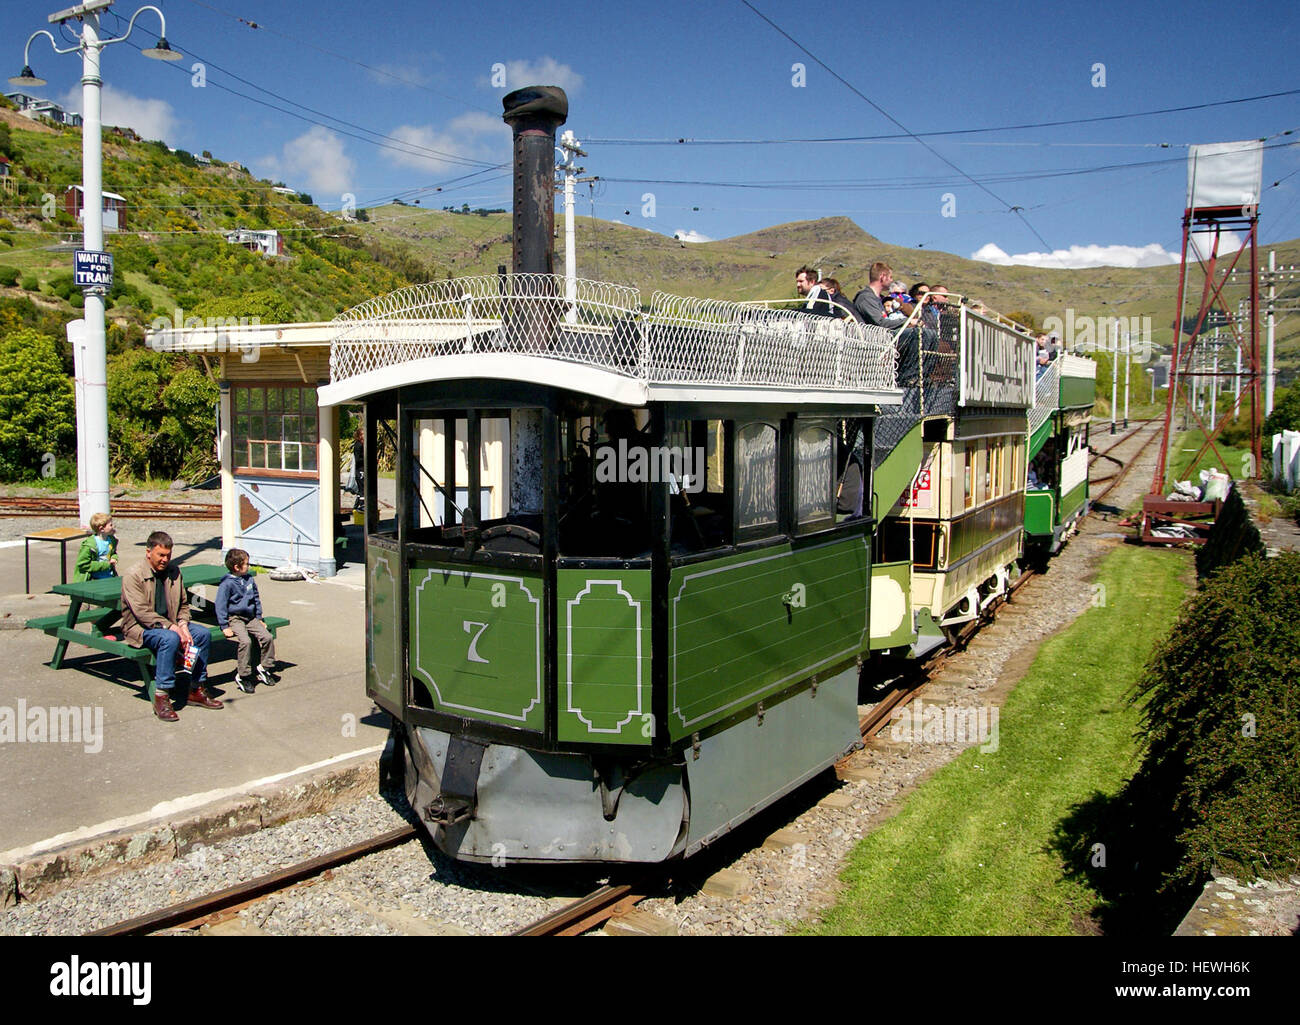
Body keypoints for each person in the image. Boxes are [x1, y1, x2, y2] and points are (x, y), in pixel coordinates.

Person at [120, 530, 221, 722]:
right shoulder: (133, 575)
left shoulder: (174, 572)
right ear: (148, 552)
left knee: (202, 634)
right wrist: (173, 628)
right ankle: (162, 694)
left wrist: (182, 624)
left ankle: (195, 687)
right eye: (161, 555)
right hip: (141, 628)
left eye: (168, 555)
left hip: (172, 623)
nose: (165, 560)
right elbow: (142, 612)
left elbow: (183, 604)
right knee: (170, 638)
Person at [216, 548, 280, 693]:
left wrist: (259, 617)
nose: (249, 566)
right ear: (236, 567)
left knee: (267, 636)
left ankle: (264, 667)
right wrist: (224, 625)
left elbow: (256, 599)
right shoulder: (227, 584)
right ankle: (243, 675)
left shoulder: (249, 579)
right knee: (246, 641)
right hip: (235, 618)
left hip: (250, 618)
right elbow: (220, 605)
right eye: (246, 564)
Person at [74, 512, 118, 582]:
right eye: (110, 525)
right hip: (93, 579)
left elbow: (113, 552)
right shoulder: (89, 545)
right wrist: (106, 565)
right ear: (102, 529)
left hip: (109, 575)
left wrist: (114, 558)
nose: (113, 527)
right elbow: (83, 564)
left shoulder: (111, 540)